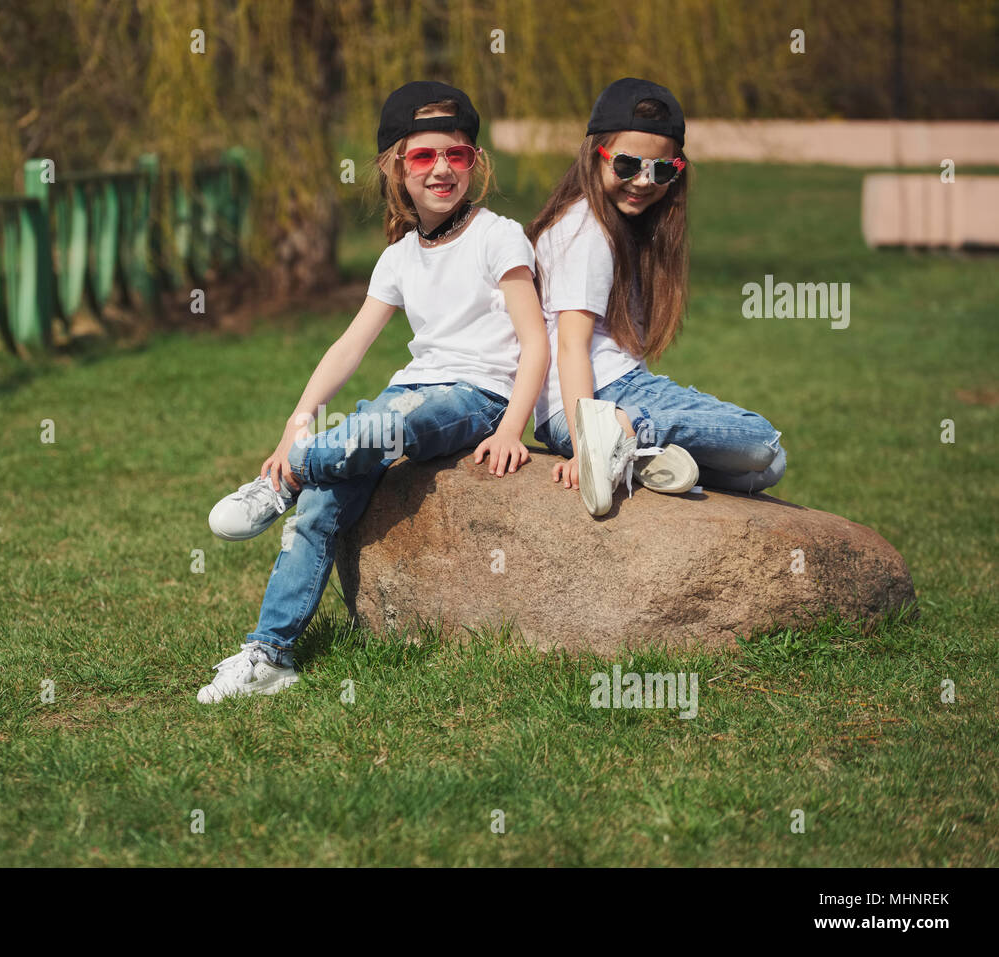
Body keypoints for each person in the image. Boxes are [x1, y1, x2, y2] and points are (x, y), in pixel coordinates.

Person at [198, 80, 549, 702]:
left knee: (395, 424)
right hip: (409, 391)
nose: (442, 168)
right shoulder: (399, 256)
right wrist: (294, 424)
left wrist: (511, 429)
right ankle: (270, 653)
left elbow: (536, 341)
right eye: (424, 156)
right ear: (396, 167)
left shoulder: (499, 236)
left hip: (475, 396)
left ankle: (288, 477)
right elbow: (348, 348)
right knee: (320, 508)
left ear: (474, 162)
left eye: (457, 154)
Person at [527, 77, 786, 517]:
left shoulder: (612, 226)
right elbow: (571, 344)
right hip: (599, 398)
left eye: (662, 170)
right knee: (763, 442)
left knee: (765, 469)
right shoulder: (585, 231)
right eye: (627, 165)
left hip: (566, 416)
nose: (644, 181)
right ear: (594, 155)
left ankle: (636, 457)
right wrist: (587, 441)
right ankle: (625, 432)